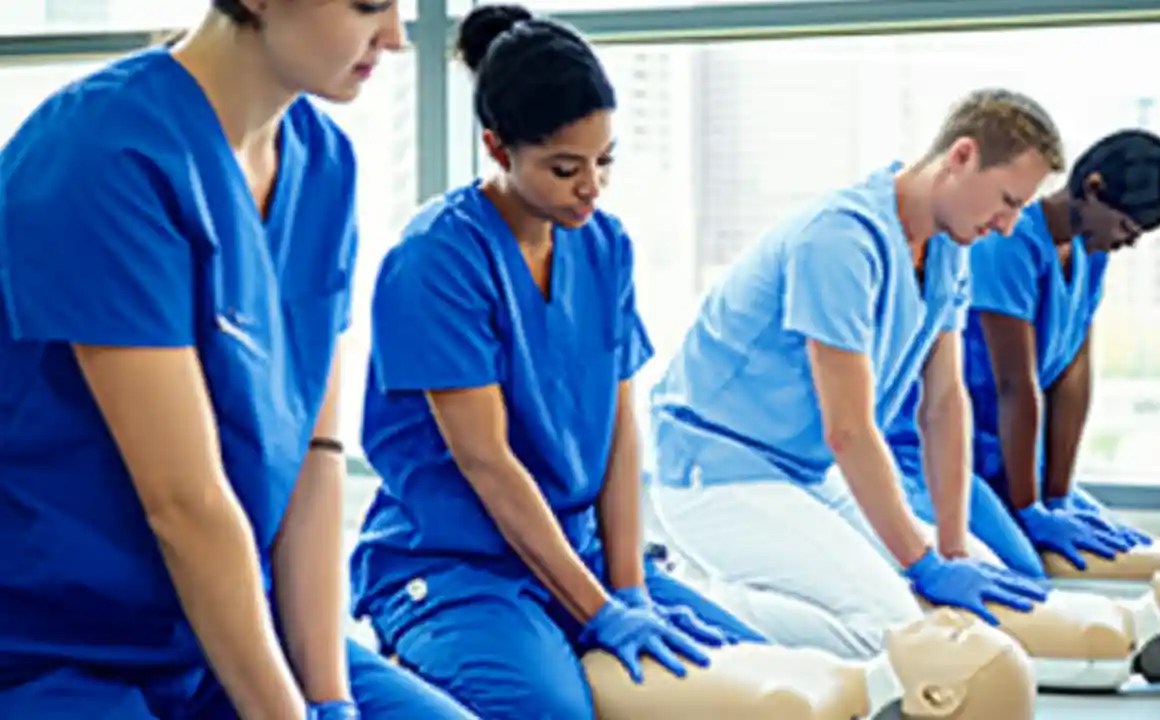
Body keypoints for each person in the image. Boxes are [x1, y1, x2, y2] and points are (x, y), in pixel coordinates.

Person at [0, 2, 473, 718]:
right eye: (369, 5)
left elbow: (317, 449)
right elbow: (182, 504)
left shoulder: (323, 162)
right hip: (61, 648)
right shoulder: (102, 154)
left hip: (237, 627)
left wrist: (328, 696)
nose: (397, 38)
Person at [348, 5, 763, 720]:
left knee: (754, 675)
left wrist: (627, 591)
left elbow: (618, 432)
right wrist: (596, 612)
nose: (591, 188)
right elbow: (487, 463)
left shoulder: (605, 246)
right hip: (457, 566)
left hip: (584, 553)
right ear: (497, 148)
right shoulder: (437, 260)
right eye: (565, 168)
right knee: (553, 711)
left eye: (605, 161)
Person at [646, 89, 1062, 659]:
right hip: (718, 468)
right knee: (892, 634)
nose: (1010, 226)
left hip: (807, 472)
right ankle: (681, 594)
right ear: (962, 156)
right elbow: (849, 428)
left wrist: (952, 548)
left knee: (983, 609)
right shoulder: (841, 239)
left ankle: (760, 588)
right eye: (1007, 201)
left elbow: (944, 403)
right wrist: (920, 563)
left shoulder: (948, 247)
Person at [889, 129, 1160, 579]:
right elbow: (1015, 385)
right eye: (1126, 226)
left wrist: (1059, 497)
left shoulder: (1091, 253)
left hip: (1011, 451)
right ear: (1093, 187)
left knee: (1118, 545)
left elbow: (1072, 378)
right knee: (1024, 569)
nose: (1129, 241)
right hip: (945, 447)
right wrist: (1030, 509)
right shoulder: (1009, 242)